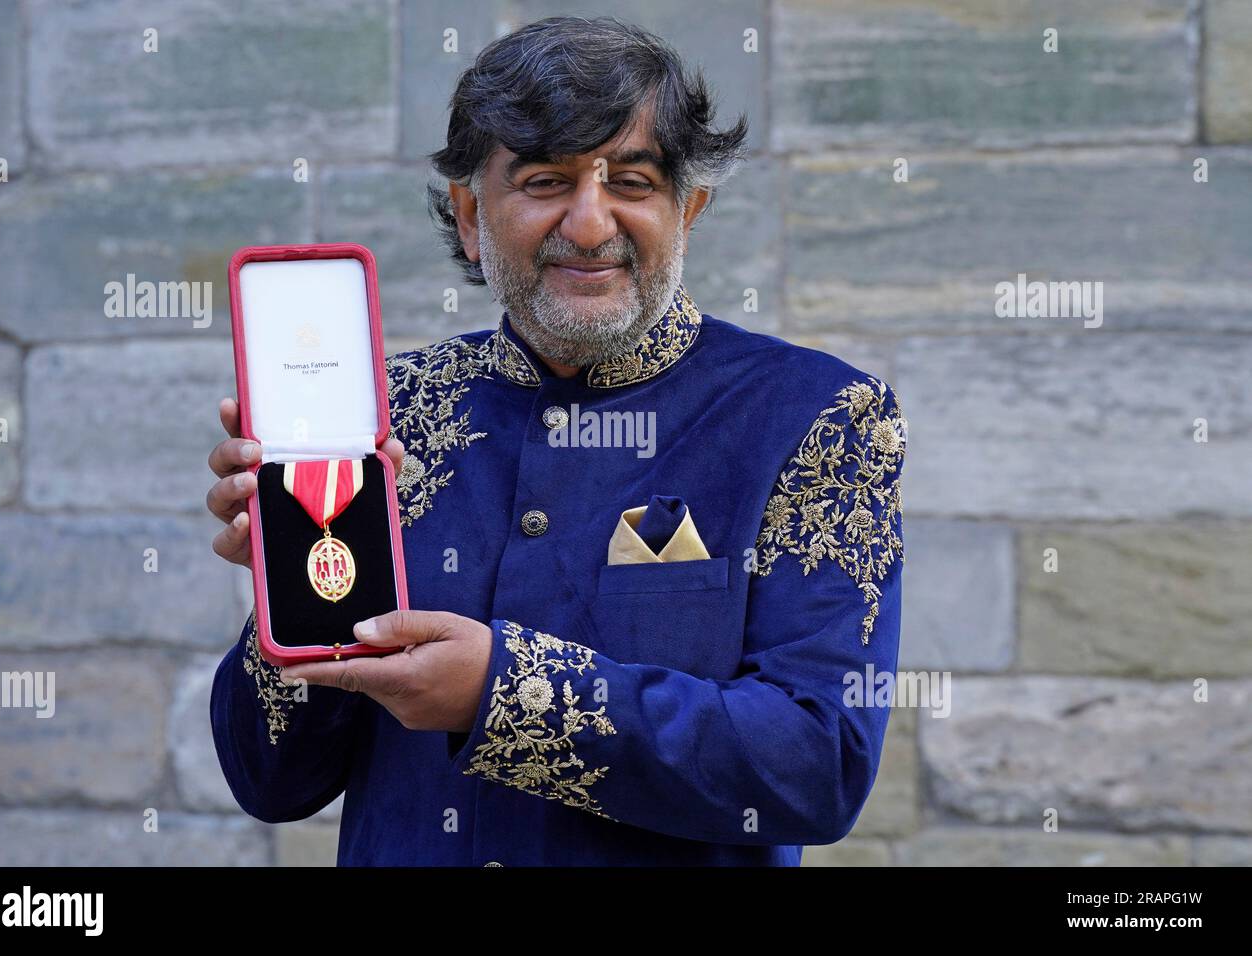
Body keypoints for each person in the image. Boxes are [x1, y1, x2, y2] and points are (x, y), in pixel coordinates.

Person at [207, 15, 906, 866]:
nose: (588, 222)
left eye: (633, 183)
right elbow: (271, 783)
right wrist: (289, 584)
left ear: (688, 209)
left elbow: (818, 764)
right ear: (469, 215)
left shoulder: (816, 415)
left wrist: (499, 693)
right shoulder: (387, 412)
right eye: (545, 181)